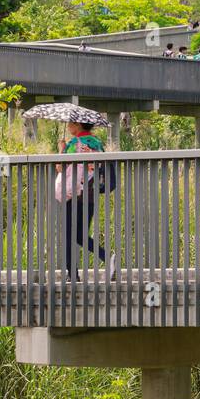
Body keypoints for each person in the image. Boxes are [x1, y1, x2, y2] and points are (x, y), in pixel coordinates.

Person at [58, 119, 116, 279]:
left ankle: (73, 275)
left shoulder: (73, 144)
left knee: (69, 235)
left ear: (78, 125)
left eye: (70, 123)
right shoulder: (97, 144)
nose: (68, 126)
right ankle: (107, 258)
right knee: (80, 235)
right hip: (90, 194)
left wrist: (61, 150)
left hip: (74, 193)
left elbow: (60, 167)